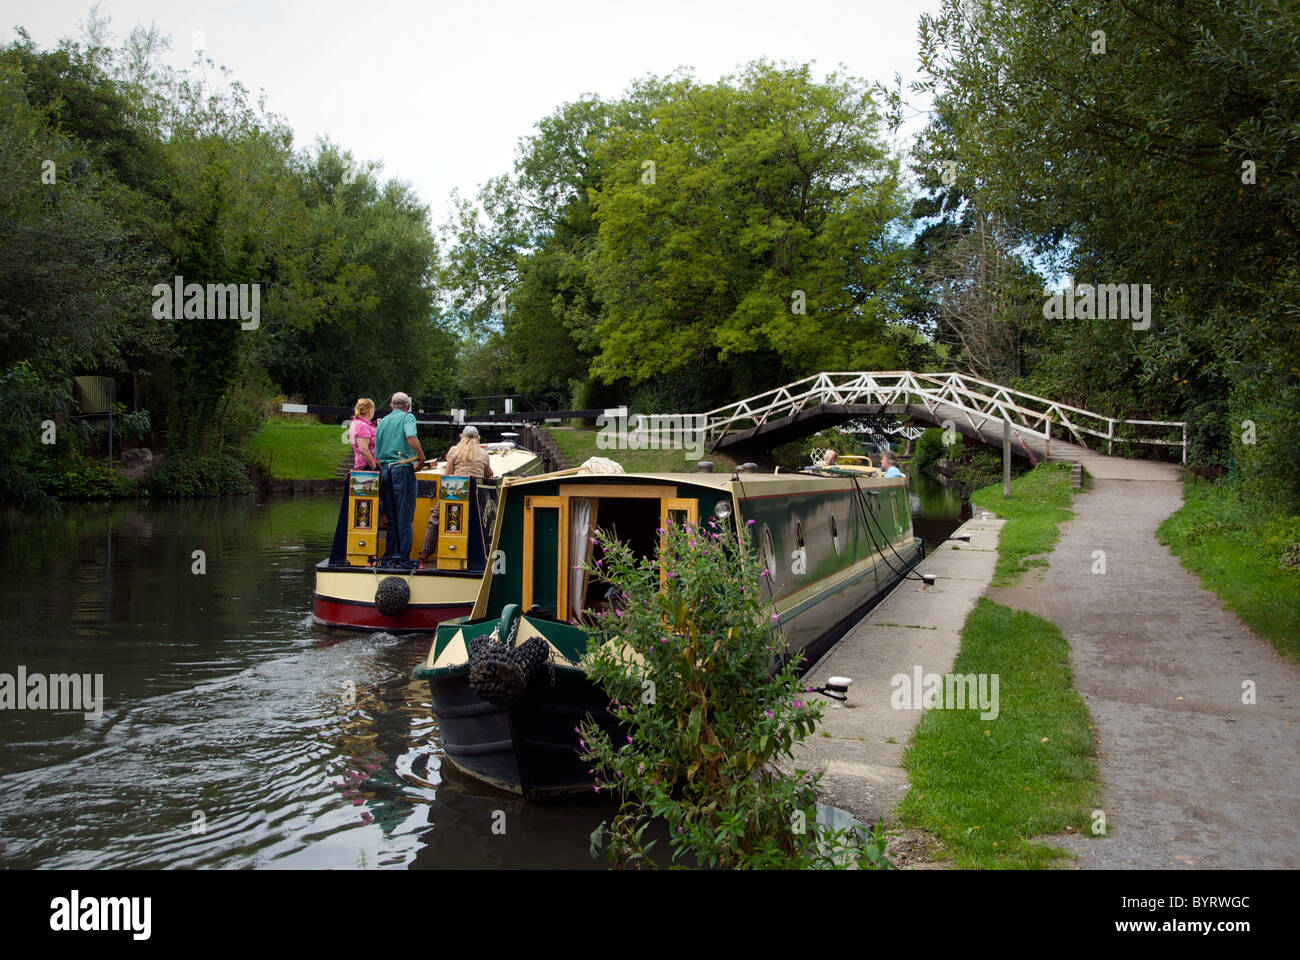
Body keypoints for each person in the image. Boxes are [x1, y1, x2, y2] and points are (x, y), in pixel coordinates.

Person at [419, 426, 494, 568]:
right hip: (474, 495)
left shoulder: (454, 450)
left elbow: (447, 474)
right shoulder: (484, 454)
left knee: (435, 521)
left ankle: (425, 554)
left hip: (456, 492)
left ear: (462, 437)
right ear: (478, 438)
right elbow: (487, 473)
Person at [375, 392, 425, 567]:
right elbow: (410, 437)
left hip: (386, 470)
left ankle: (389, 556)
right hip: (402, 469)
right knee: (404, 516)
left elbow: (377, 452)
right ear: (408, 406)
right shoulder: (408, 417)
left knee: (391, 516)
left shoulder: (382, 422)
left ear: (391, 406)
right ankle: (403, 558)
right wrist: (421, 457)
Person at [349, 398, 378, 470]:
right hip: (367, 465)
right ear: (370, 411)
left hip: (362, 464)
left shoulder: (356, 423)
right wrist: (374, 467)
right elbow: (363, 449)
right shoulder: (362, 425)